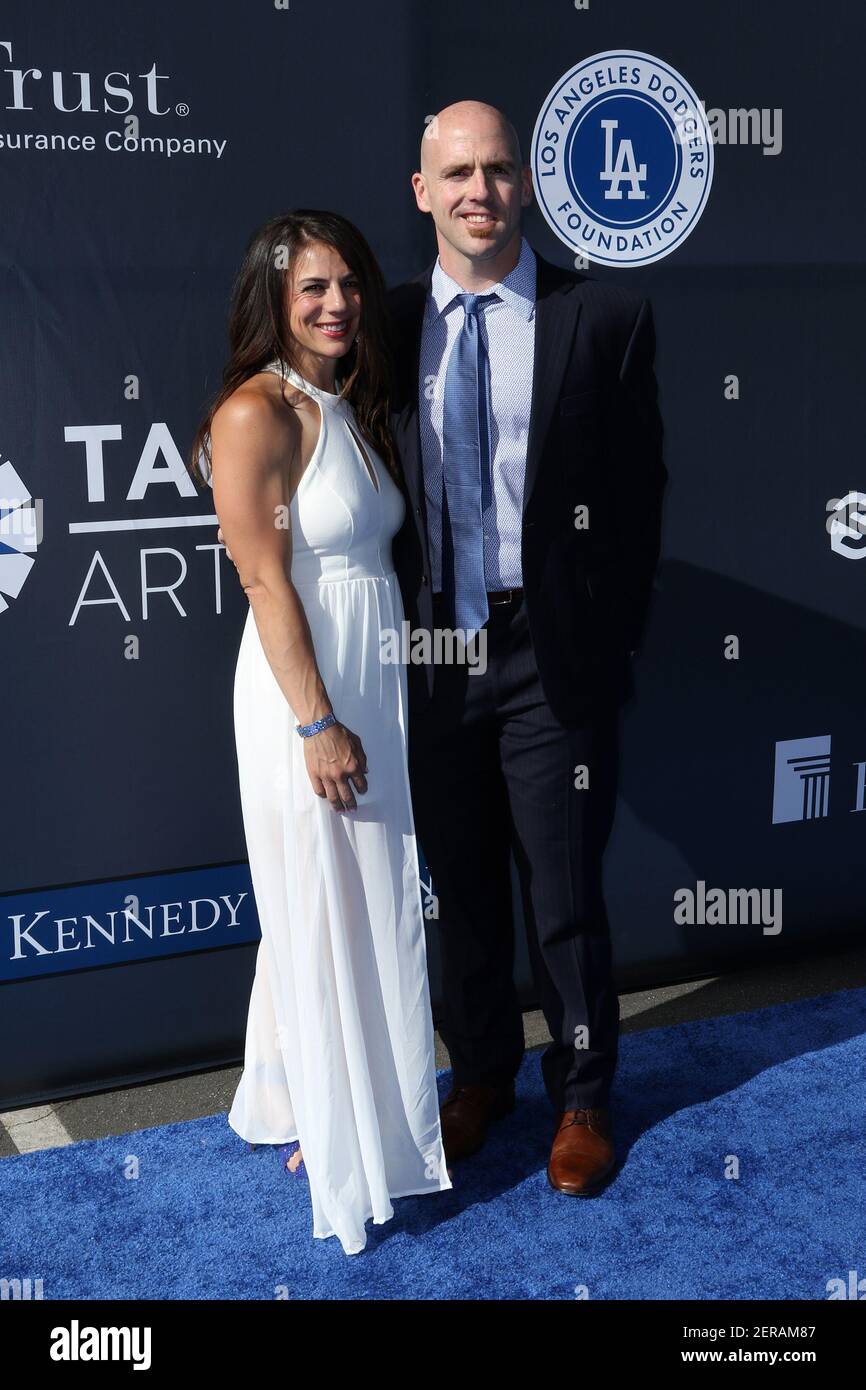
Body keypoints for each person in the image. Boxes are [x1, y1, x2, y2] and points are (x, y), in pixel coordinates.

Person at [387, 101, 668, 1196]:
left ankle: (584, 1095)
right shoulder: (387, 322)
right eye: (455, 172)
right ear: (422, 192)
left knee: (562, 889)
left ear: (527, 184)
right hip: (431, 646)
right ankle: (481, 1076)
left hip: (546, 652)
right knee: (457, 887)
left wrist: (609, 641)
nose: (478, 191)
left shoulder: (602, 316)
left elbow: (640, 503)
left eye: (498, 170)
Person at [193, 210, 452, 1256]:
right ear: (273, 300)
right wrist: (317, 723)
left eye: (348, 283)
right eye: (311, 289)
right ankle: (348, 1146)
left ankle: (302, 1098)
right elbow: (262, 577)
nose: (337, 303)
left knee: (346, 894)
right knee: (330, 896)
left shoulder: (342, 401)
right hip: (309, 691)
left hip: (366, 672)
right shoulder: (256, 414)